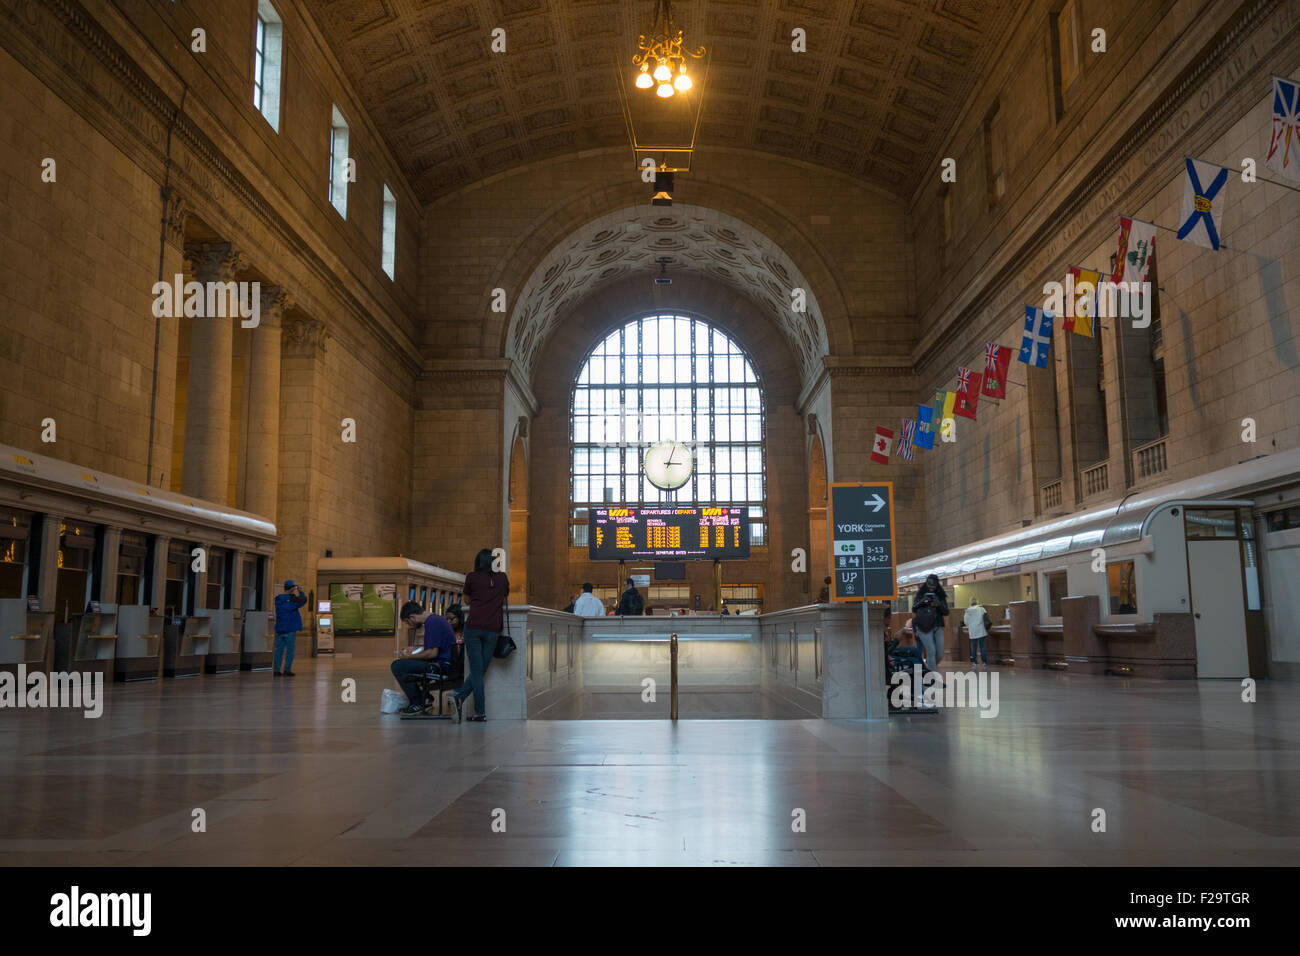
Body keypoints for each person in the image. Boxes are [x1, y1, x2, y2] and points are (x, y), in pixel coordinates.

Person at [450, 549, 509, 723]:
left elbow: (467, 600)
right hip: (493, 629)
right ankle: (465, 702)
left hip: (473, 628)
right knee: (480, 670)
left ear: (478, 562)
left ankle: (471, 705)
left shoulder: (471, 577)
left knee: (477, 671)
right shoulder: (502, 577)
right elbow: (505, 596)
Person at [392, 600, 456, 715]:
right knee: (405, 664)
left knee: (397, 666)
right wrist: (415, 648)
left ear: (412, 617)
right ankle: (423, 698)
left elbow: (432, 653)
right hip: (446, 663)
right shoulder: (435, 619)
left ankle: (420, 702)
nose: (409, 626)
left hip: (441, 666)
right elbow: (433, 647)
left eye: (407, 622)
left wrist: (409, 657)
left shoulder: (432, 623)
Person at [912, 574, 949, 669]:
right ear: (926, 583)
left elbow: (946, 612)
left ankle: (929, 668)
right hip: (924, 626)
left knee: (940, 654)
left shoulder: (940, 595)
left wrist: (938, 604)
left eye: (934, 585)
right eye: (929, 585)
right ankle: (933, 675)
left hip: (938, 625)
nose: (931, 587)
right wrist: (922, 601)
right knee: (931, 651)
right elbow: (914, 608)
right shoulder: (920, 594)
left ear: (937, 585)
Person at [272, 580, 307, 677]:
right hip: (290, 628)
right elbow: (303, 600)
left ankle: (276, 670)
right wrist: (300, 591)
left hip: (280, 628)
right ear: (292, 588)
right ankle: (287, 670)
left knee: (278, 650)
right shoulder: (292, 600)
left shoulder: (278, 599)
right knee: (290, 651)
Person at [964, 597, 989, 669]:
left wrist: (971, 624)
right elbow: (986, 618)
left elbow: (966, 622)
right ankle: (984, 662)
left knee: (974, 647)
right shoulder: (982, 609)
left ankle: (974, 663)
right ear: (977, 602)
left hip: (973, 631)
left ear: (970, 602)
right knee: (982, 647)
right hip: (981, 630)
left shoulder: (968, 611)